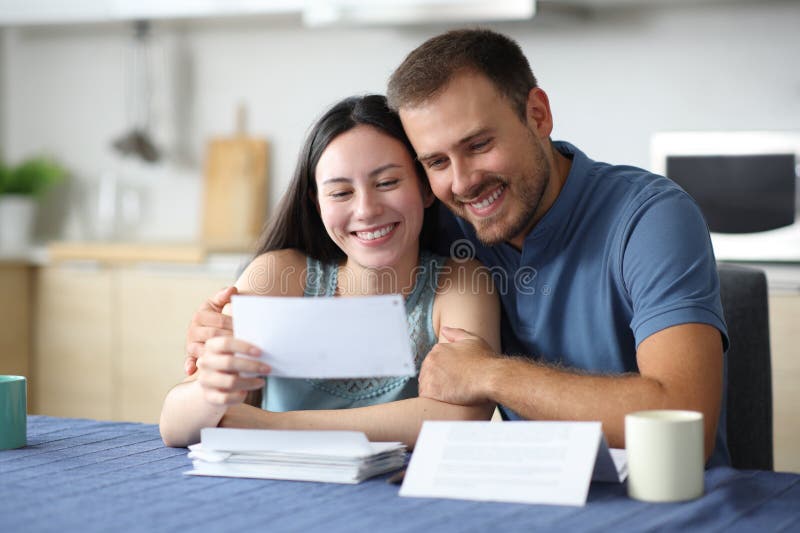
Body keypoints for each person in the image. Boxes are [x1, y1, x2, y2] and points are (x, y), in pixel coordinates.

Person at [185, 29, 730, 466]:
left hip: (667, 501)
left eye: (480, 145)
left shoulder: (650, 217)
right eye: (436, 162)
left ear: (537, 114)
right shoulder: (443, 221)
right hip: (526, 495)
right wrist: (221, 334)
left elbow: (686, 422)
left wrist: (489, 373)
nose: (463, 182)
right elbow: (355, 243)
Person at [160, 95, 499, 448]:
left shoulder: (460, 283)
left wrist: (272, 427)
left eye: (387, 183)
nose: (366, 210)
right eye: (340, 192)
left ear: (424, 188)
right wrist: (210, 391)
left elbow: (461, 417)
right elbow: (174, 427)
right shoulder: (279, 277)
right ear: (316, 202)